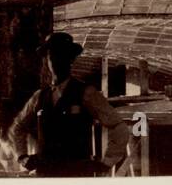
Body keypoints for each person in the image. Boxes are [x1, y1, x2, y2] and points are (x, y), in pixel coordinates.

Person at [9, 32, 129, 177]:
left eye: (62, 56)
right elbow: (17, 127)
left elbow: (118, 126)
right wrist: (22, 156)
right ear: (47, 61)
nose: (57, 62)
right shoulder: (39, 97)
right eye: (52, 57)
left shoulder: (87, 93)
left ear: (70, 60)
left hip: (77, 176)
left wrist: (106, 162)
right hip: (45, 176)